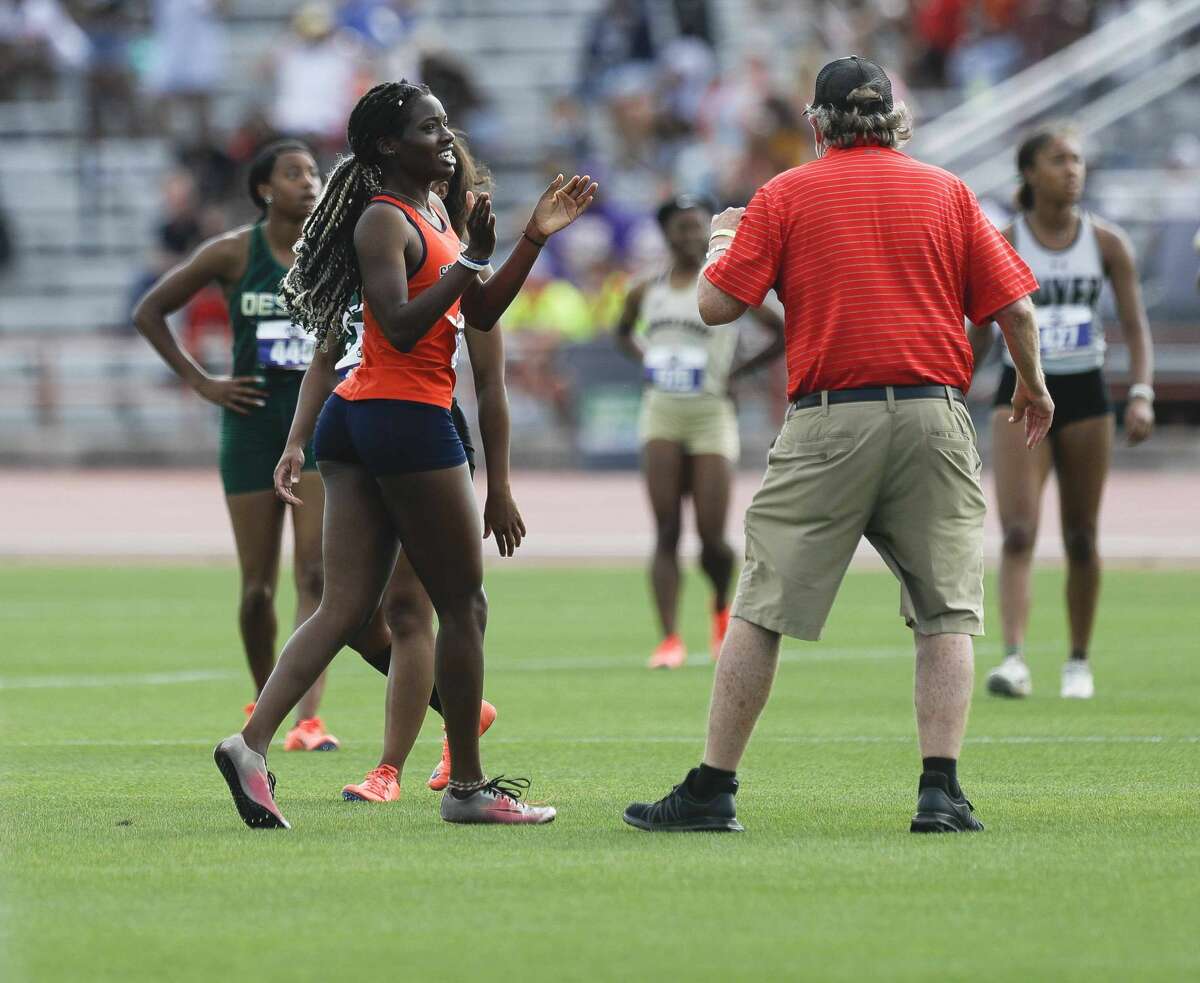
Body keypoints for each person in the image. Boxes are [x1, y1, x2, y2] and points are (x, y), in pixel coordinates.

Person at [623, 56, 1053, 836]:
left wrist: (722, 238)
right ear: (893, 117)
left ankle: (715, 788)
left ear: (816, 124)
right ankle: (940, 790)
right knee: (945, 609)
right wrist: (1033, 384)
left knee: (762, 606)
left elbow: (719, 305)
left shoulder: (784, 193)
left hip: (830, 415)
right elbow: (1016, 310)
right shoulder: (948, 191)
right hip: (933, 410)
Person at [214, 80, 596, 829]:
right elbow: (398, 321)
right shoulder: (383, 220)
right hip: (403, 416)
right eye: (429, 127)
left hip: (360, 420)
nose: (445, 137)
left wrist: (528, 241)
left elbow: (477, 310)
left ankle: (249, 741)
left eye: (446, 124)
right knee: (463, 604)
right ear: (388, 145)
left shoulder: (430, 216)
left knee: (345, 605)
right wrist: (470, 260)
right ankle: (468, 789)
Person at [271, 133, 510, 803]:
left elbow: (491, 384)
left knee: (411, 609)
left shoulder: (462, 269)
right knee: (343, 603)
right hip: (353, 428)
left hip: (421, 435)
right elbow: (325, 356)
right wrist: (293, 443)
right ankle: (460, 711)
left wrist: (501, 484)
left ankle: (389, 768)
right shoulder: (370, 257)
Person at [134, 140, 353, 752]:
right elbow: (150, 310)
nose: (309, 182)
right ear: (264, 189)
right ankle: (269, 699)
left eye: (314, 172)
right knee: (257, 589)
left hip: (313, 427)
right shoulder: (234, 252)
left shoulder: (337, 254)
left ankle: (310, 720)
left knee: (316, 572)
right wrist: (202, 383)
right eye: (293, 173)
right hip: (253, 426)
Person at [974, 123, 1155, 701]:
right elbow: (979, 326)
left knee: (1081, 536)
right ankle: (1015, 658)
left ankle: (1078, 661)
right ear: (1029, 172)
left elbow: (1134, 325)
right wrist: (954, 385)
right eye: (1058, 160)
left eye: (1077, 160)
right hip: (1019, 390)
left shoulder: (1106, 244)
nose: (1072, 169)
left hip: (1084, 393)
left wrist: (1143, 391)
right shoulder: (1005, 240)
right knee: (1019, 531)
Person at [614, 194, 783, 668]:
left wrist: (735, 372)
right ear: (665, 233)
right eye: (680, 228)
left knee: (712, 534)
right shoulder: (647, 289)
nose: (689, 237)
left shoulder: (723, 284)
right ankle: (669, 638)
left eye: (696, 228)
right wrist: (647, 355)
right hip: (662, 414)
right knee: (666, 528)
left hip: (711, 414)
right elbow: (622, 331)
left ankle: (719, 609)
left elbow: (779, 331)